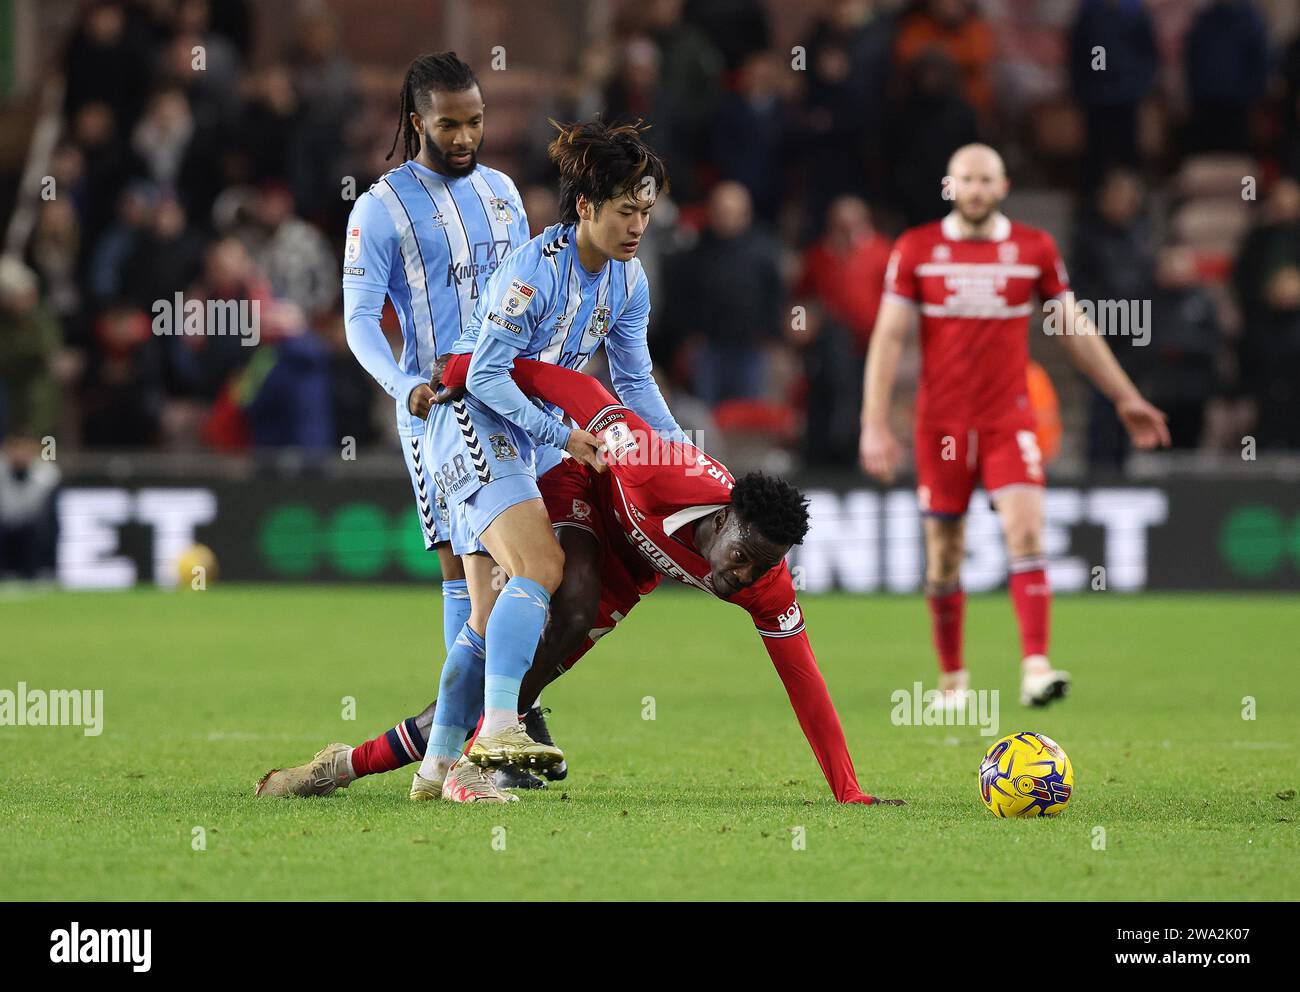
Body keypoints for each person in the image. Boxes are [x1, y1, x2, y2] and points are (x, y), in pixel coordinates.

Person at [257, 354, 905, 808]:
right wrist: (468, 368)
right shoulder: (658, 469)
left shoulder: (765, 581)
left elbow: (805, 681)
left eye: (761, 568)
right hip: (580, 497)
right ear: (727, 515)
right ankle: (492, 749)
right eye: (743, 557)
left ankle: (344, 765)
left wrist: (848, 789)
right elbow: (584, 392)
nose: (745, 576)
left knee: (515, 672)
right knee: (570, 602)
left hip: (631, 572)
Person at [858, 144, 1170, 709]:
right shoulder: (917, 249)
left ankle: (1035, 668)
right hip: (942, 427)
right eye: (965, 180)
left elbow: (1072, 329)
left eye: (986, 180)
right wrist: (874, 423)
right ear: (950, 187)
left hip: (1009, 420)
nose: (976, 189)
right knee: (944, 556)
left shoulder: (1033, 249)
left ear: (1002, 187)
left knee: (1026, 534)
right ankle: (953, 681)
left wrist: (1126, 398)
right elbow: (888, 337)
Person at [338, 52, 531, 803]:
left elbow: (525, 291)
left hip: (511, 403)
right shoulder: (380, 207)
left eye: (475, 121)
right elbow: (357, 322)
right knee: (476, 575)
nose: (464, 136)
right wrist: (405, 385)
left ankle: (457, 753)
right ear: (416, 120)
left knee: (498, 579)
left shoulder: (504, 191)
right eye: (449, 123)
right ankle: (471, 754)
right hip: (441, 415)